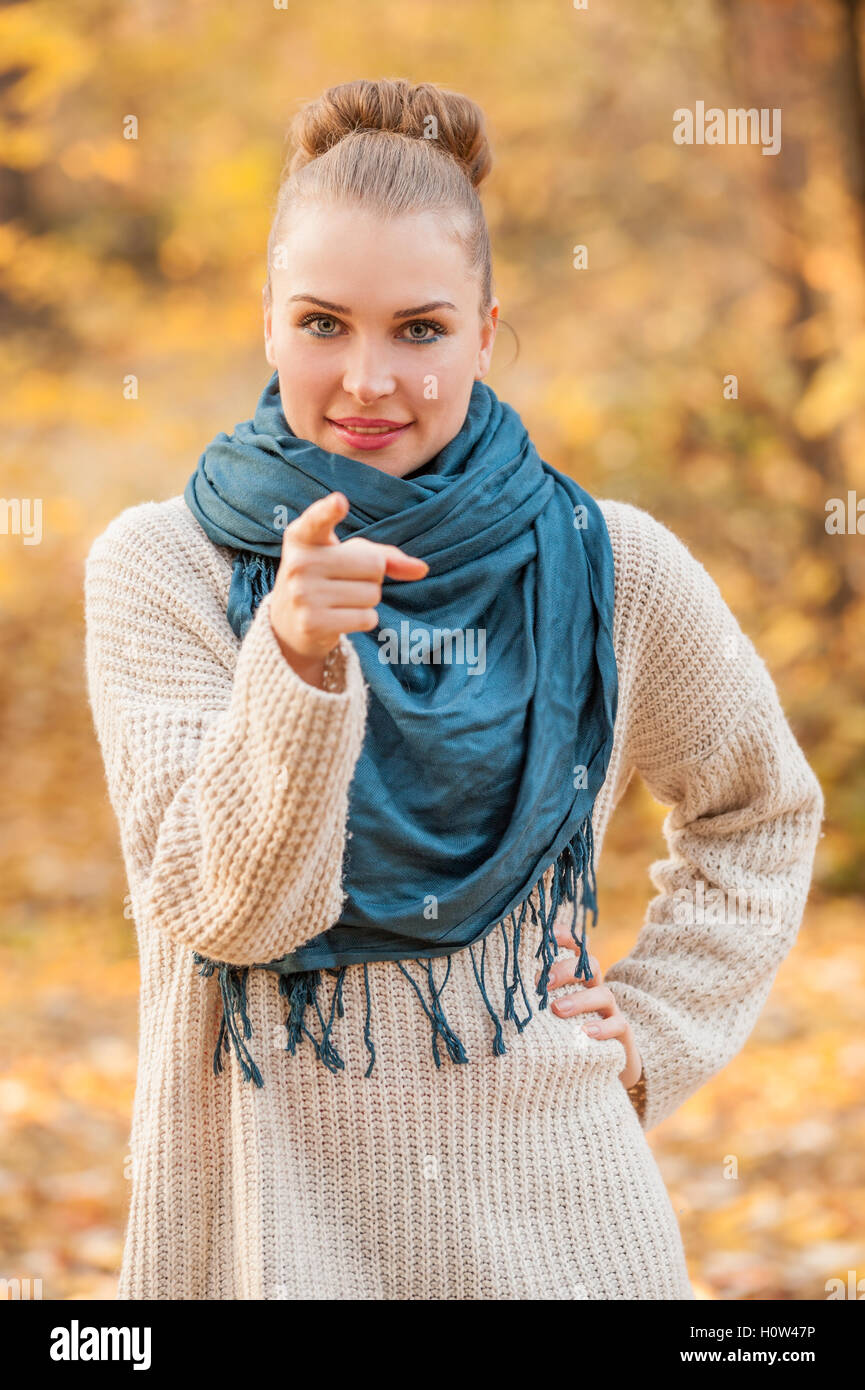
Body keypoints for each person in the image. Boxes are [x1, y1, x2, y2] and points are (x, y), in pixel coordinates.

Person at [83, 78, 824, 1301]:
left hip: (563, 1239)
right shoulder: (160, 569)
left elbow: (758, 811)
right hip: (270, 1243)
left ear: (484, 332)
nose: (368, 378)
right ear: (265, 319)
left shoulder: (609, 563)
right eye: (323, 322)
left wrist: (654, 1027)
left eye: (418, 330)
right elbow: (227, 914)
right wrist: (296, 665)